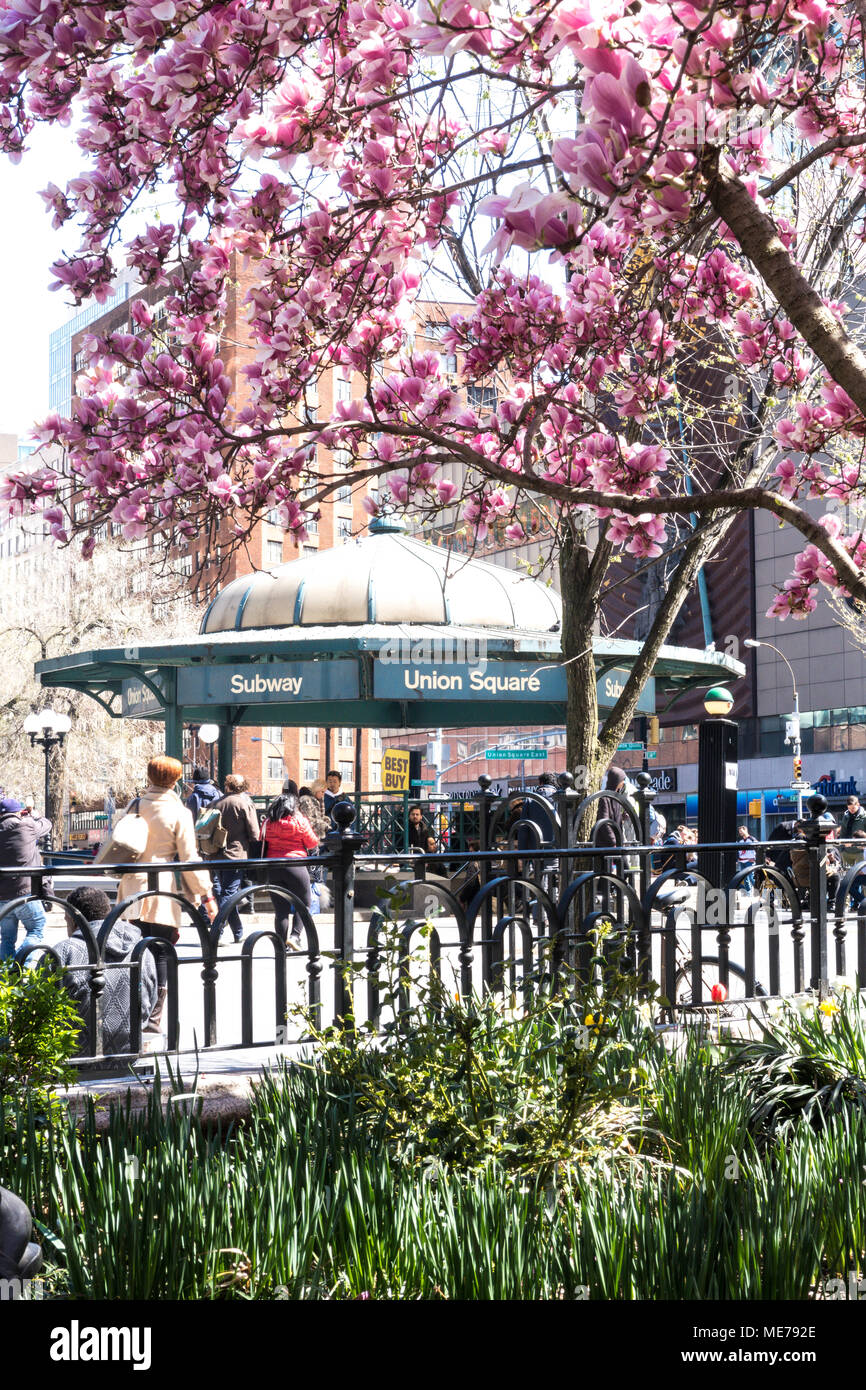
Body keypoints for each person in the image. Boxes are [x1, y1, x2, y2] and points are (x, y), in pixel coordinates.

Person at [117, 756, 216, 1034]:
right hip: (161, 890)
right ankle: (154, 1019)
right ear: (175, 780)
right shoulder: (180, 813)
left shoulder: (134, 805)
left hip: (132, 888)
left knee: (134, 952)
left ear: (149, 777)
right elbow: (188, 858)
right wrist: (205, 893)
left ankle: (131, 1013)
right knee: (161, 952)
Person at [53, 885, 158, 1058]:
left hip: (73, 1060)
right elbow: (149, 1004)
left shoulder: (64, 952)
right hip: (129, 1056)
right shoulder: (142, 951)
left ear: (72, 920)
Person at [261, 779, 319, 949]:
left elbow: (261, 839)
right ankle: (294, 936)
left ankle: (280, 945)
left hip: (273, 867)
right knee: (304, 904)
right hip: (296, 866)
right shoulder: (299, 820)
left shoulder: (268, 822)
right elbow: (312, 842)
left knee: (281, 911)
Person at [0, 798, 52, 964]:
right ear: (17, 813)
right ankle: (24, 966)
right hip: (24, 893)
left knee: (7, 939)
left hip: (2, 897)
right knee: (37, 928)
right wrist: (35, 816)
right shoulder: (26, 825)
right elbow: (47, 824)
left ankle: (6, 978)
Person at [211, 774, 259, 944]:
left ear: (227, 785)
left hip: (216, 854)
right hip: (236, 855)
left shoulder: (216, 803)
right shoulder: (244, 802)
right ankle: (217, 931)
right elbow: (255, 833)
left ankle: (238, 932)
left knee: (228, 893)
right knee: (228, 894)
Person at [737, 825, 757, 893]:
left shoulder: (752, 839)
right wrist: (738, 860)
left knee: (751, 877)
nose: (740, 833)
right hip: (742, 861)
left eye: (741, 831)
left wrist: (754, 859)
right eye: (739, 832)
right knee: (745, 878)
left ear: (745, 830)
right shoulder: (741, 841)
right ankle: (749, 892)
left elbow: (758, 848)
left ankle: (758, 891)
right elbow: (739, 852)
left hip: (749, 861)